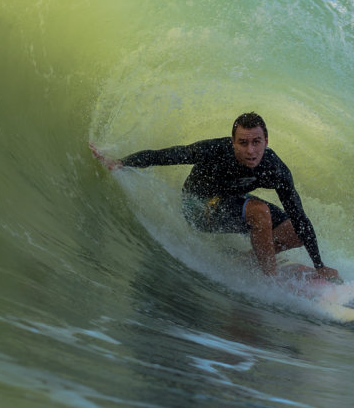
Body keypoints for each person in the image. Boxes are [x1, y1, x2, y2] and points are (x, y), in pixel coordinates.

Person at [89, 112, 340, 281]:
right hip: (197, 206)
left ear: (266, 140)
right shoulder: (215, 150)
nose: (251, 150)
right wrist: (122, 162)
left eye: (256, 142)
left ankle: (247, 261)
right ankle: (270, 280)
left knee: (295, 230)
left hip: (231, 202)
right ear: (233, 142)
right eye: (243, 142)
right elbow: (166, 156)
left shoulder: (275, 169)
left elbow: (300, 217)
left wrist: (319, 266)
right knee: (259, 212)